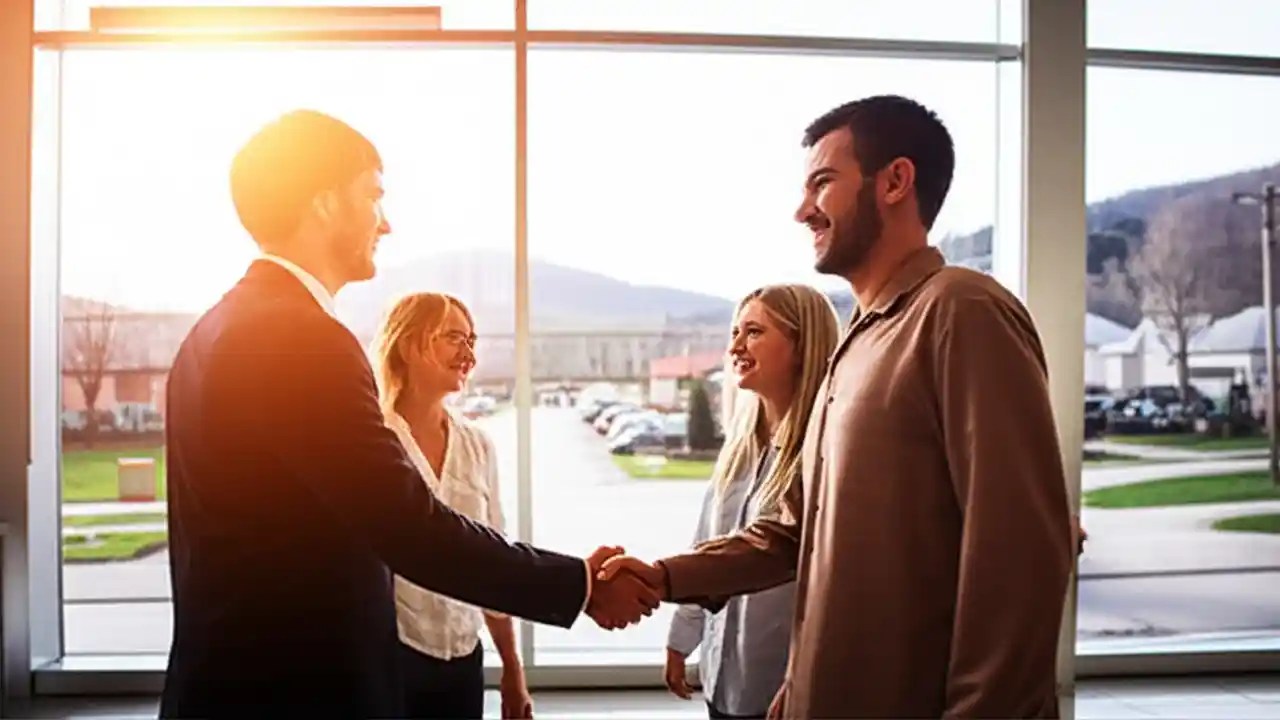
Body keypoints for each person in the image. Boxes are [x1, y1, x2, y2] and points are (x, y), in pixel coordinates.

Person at [160, 109, 657, 718]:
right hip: (295, 694)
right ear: (322, 204)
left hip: (228, 685)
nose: (385, 222)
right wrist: (576, 584)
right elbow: (406, 524)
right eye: (372, 194)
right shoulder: (302, 337)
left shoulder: (211, 332)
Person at [601, 95, 1077, 719]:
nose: (802, 210)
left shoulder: (962, 311)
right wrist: (667, 578)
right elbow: (794, 535)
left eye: (823, 183)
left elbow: (1021, 552)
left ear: (895, 182)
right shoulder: (855, 346)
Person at [666, 284, 839, 720]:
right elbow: (707, 546)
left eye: (754, 332)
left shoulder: (826, 453)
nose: (735, 346)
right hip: (725, 678)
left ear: (803, 346)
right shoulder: (740, 448)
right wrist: (680, 639)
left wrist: (803, 677)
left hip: (781, 687)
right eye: (735, 331)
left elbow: (835, 587)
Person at [371, 292, 533, 719]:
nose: (469, 355)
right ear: (408, 345)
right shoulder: (373, 441)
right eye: (454, 338)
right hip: (389, 658)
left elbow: (492, 561)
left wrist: (512, 669)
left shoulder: (477, 445)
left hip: (463, 659)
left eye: (473, 341)